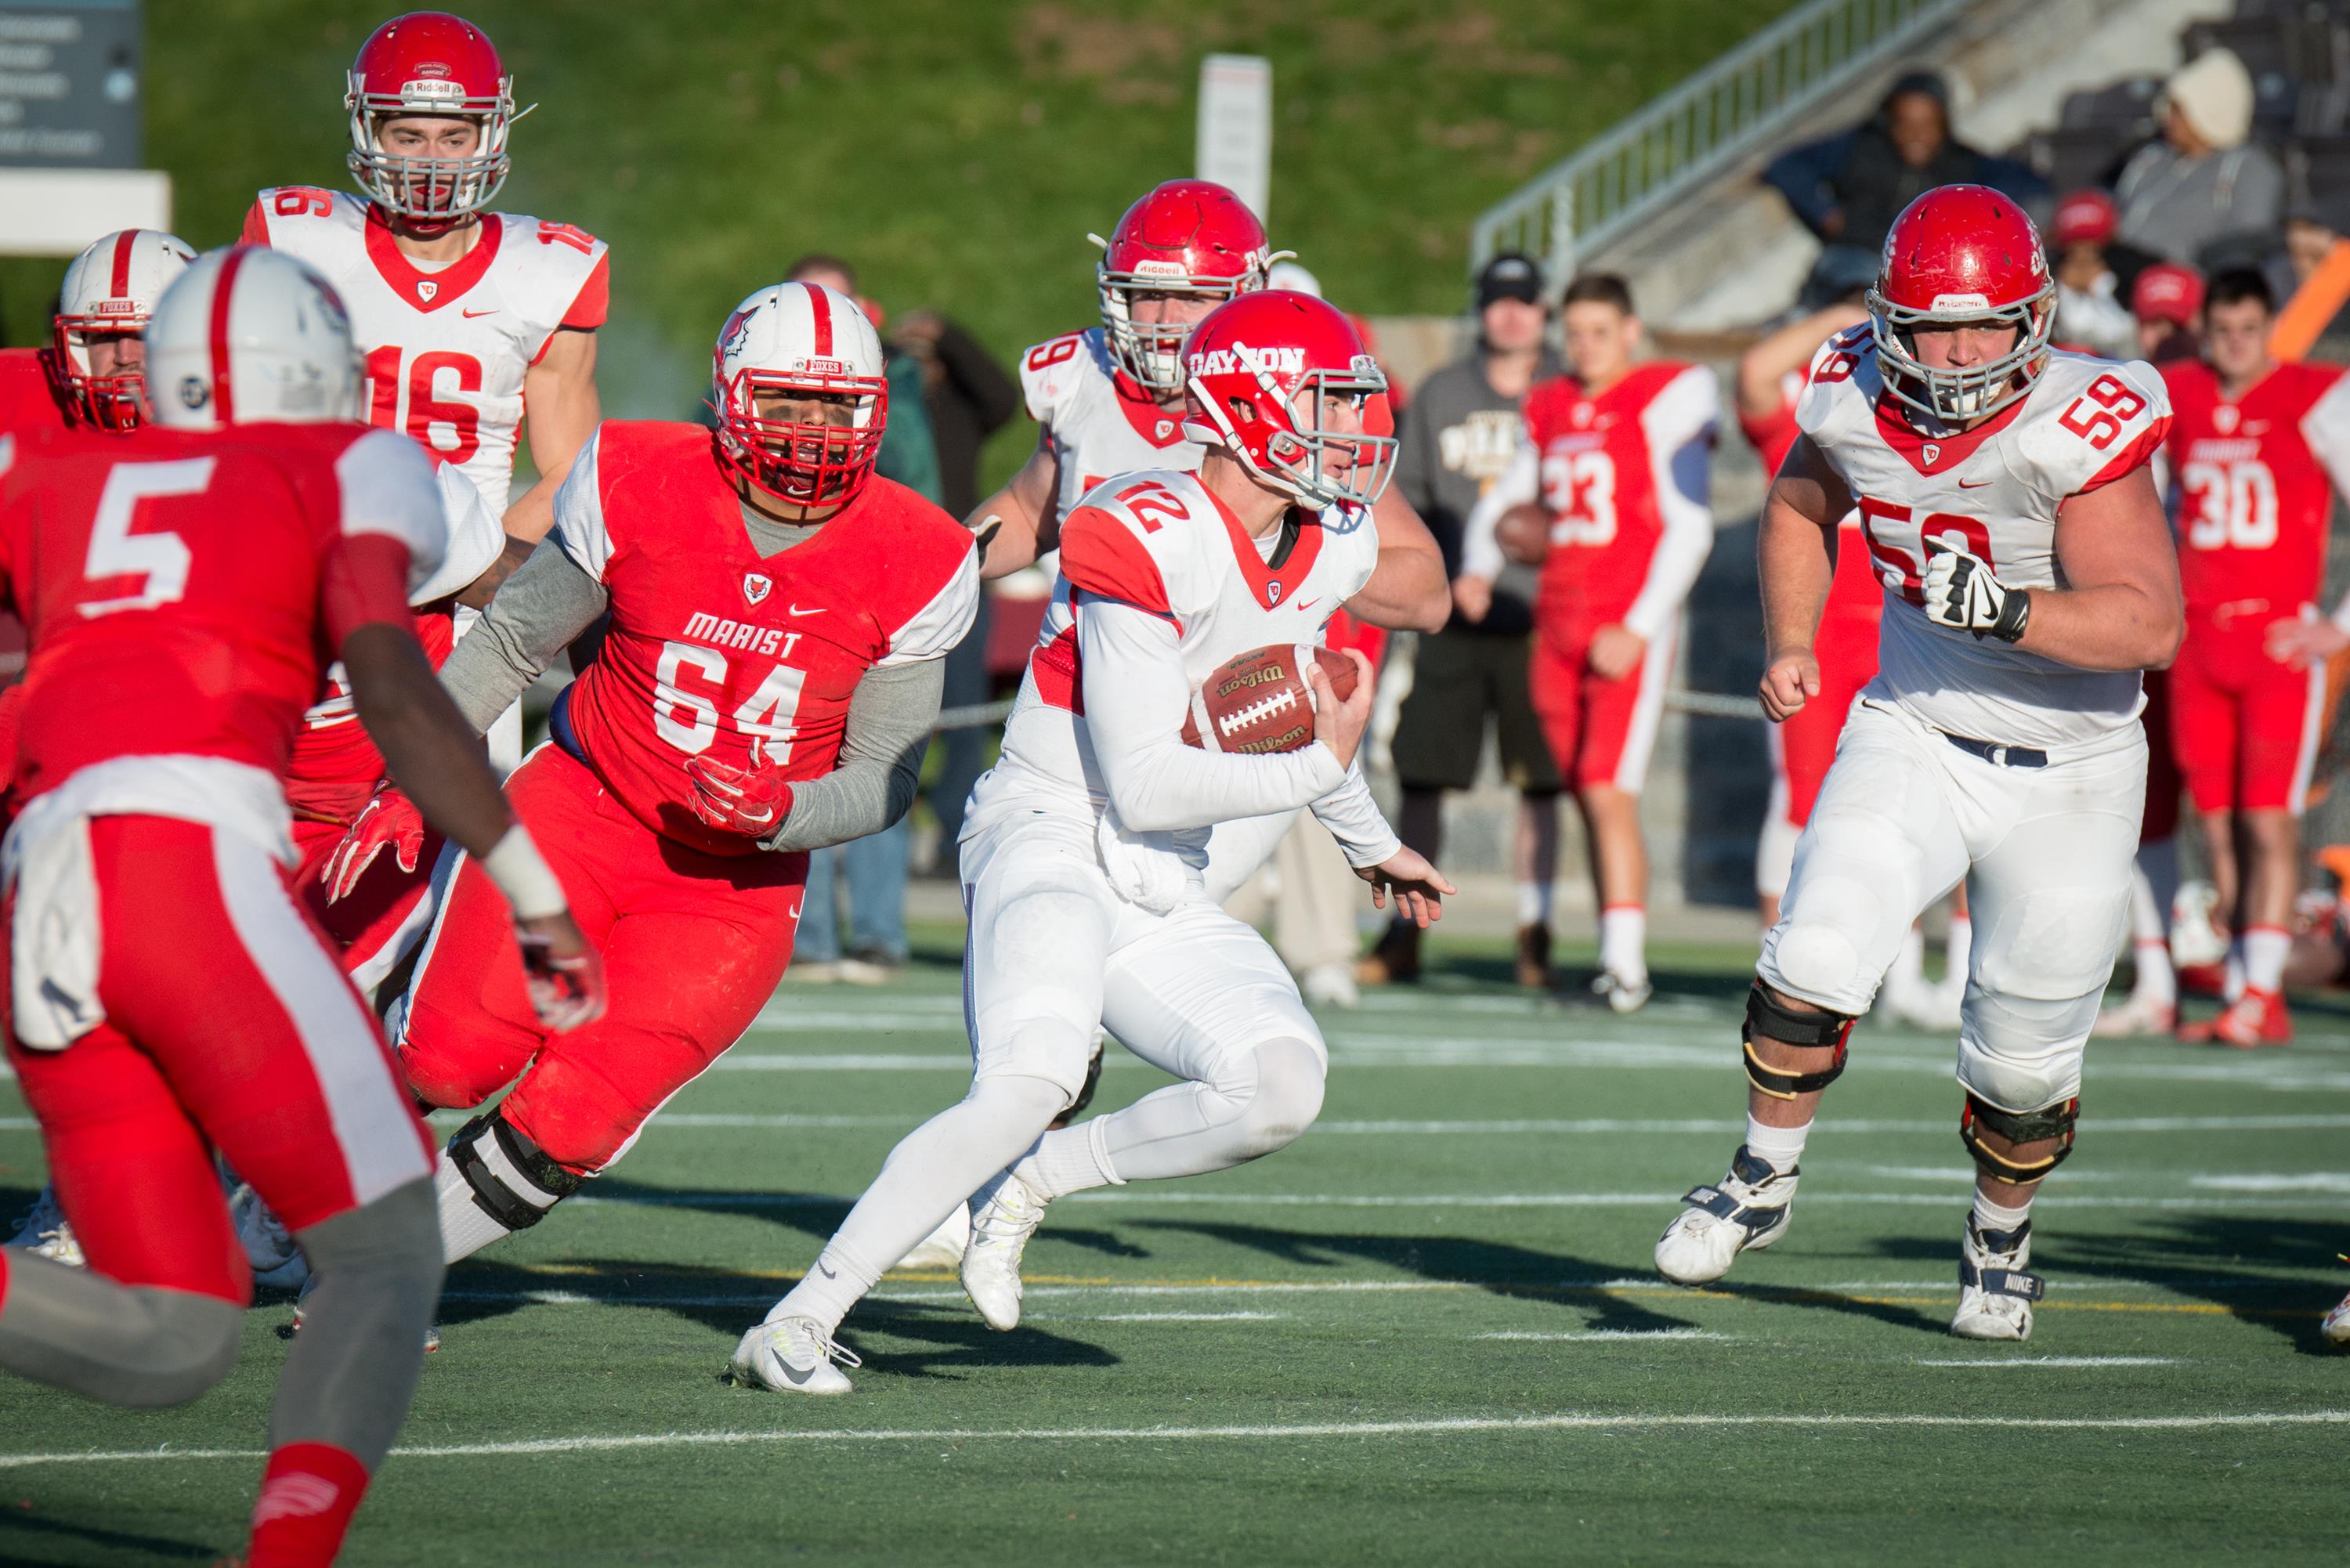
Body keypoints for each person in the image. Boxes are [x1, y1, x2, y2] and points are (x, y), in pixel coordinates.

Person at [729, 291, 1453, 1394]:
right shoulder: (1138, 526)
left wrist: (1368, 838)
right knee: (1028, 1078)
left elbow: (1297, 717)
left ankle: (1034, 1185)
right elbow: (1153, 778)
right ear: (1249, 405)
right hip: (1052, 834)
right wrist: (1319, 776)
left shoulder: (1328, 539)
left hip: (1162, 876)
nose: (1353, 432)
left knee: (1281, 1085)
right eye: (1326, 403)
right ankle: (801, 1314)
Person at [0, 245, 601, 1568]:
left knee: (172, 1335)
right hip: (185, 869)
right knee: (387, 1255)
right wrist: (535, 889)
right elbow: (393, 682)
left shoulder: (48, 476)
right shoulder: (354, 463)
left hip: (42, 894)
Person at [1653, 186, 2178, 1343]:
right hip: (1919, 723)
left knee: (2025, 1061)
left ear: (2032, 316)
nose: (1957, 352)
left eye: (1987, 323)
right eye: (1934, 325)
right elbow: (1798, 504)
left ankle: (2000, 1236)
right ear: (1887, 316)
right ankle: (1762, 1171)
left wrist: (2005, 609)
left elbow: (2150, 624)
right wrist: (1794, 638)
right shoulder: (1846, 386)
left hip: (2076, 767)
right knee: (1817, 946)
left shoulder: (2080, 416)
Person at [371, 279, 977, 1268]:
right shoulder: (643, 474)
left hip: (733, 890)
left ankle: (384, 1277)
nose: (812, 428)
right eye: (787, 399)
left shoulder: (920, 553)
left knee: (579, 1115)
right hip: (582, 813)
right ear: (731, 393)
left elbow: (886, 776)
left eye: (837, 405)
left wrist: (789, 807)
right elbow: (514, 644)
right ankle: (284, 1180)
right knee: (449, 1053)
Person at [243, 9, 607, 776]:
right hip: (307, 570)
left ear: (493, 134)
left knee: (442, 849)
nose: (432, 162)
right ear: (369, 128)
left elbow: (572, 474)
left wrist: (471, 563)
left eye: (454, 136)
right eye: (410, 135)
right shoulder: (296, 240)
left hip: (466, 601)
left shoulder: (548, 273)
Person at [1, 228, 198, 1269]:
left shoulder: (257, 423)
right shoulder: (17, 401)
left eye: (146, 343)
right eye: (103, 343)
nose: (124, 370)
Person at [1455, 273, 1718, 1011]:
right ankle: (1612, 956)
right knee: (1581, 791)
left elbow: (1689, 525)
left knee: (1608, 791)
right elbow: (1506, 498)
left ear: (1631, 331)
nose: (1585, 346)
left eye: (1600, 331)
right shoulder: (1551, 402)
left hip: (1620, 621)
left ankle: (1627, 969)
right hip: (1559, 621)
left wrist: (1639, 625)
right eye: (1574, 332)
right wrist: (1480, 568)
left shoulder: (1666, 395)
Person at [2146, 269, 2350, 1046]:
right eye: (2222, 330)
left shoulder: (2312, 395)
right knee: (2220, 823)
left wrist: (2338, 625)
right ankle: (2245, 985)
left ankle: (2260, 990)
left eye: (2248, 329)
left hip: (2275, 642)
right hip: (2201, 640)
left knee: (2271, 821)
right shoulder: (2181, 392)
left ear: (2268, 326)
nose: (2236, 345)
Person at [1362, 251, 1566, 990]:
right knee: (1423, 775)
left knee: (1540, 784)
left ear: (1546, 311)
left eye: (1524, 301)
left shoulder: (1568, 394)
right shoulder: (1444, 392)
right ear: (1481, 309)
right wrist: (1447, 579)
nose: (1511, 314)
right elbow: (1403, 496)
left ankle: (1535, 934)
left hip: (1540, 617)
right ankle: (1404, 931)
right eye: (1497, 301)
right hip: (1451, 615)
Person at [777, 255, 946, 981]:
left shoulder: (894, 392)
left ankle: (878, 929)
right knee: (794, 757)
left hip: (868, 591)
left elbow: (915, 491)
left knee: (881, 761)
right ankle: (804, 930)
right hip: (784, 591)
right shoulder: (756, 379)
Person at [890, 304, 1020, 847]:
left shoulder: (961, 409)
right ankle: (897, 816)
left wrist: (949, 333)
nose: (924, 367)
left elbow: (1002, 398)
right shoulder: (890, 414)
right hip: (899, 582)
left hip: (962, 577)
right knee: (896, 714)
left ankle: (953, 828)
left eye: (932, 359)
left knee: (965, 712)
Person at [1765, 70, 2048, 294]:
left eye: (1927, 125)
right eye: (1906, 124)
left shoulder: (1962, 164)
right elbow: (1786, 166)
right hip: (1855, 256)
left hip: (1925, 274)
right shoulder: (1859, 148)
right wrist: (1825, 214)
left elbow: (2029, 185)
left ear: (1943, 125)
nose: (1916, 135)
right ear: (1890, 122)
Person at [2113, 49, 2282, 269]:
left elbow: (2248, 245)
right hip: (2115, 273)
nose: (2167, 118)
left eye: (2178, 110)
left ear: (2210, 110)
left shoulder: (2249, 169)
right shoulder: (2151, 158)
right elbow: (2116, 212)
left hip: (2181, 283)